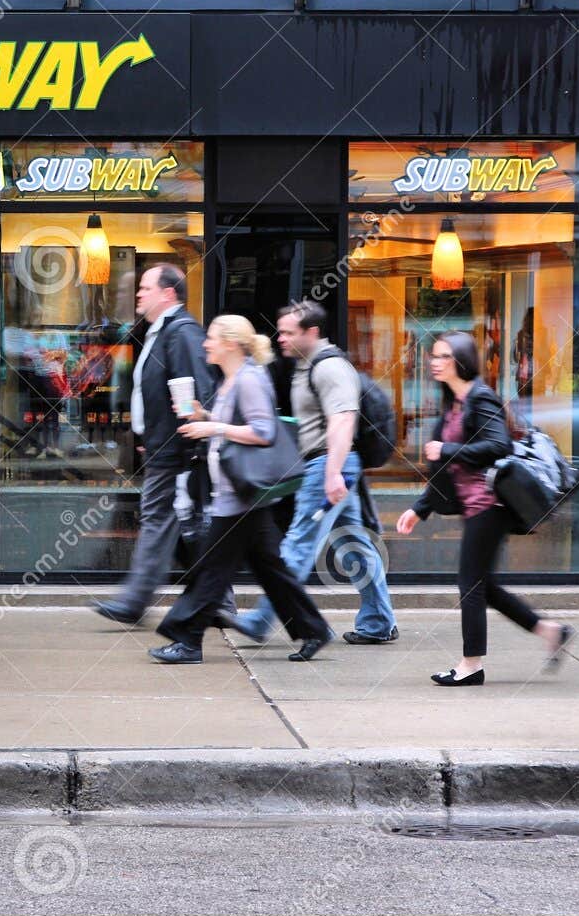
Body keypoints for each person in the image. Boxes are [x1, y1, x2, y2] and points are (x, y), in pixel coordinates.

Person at [149, 315, 334, 664]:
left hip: (239, 495)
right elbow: (234, 425)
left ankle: (187, 640)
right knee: (270, 569)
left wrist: (213, 428)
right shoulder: (233, 379)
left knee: (210, 570)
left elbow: (262, 432)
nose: (206, 344)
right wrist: (202, 416)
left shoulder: (249, 379)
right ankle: (313, 629)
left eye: (212, 338)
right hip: (237, 492)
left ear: (231, 343)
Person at [394, 331, 572, 687]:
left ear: (461, 360)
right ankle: (549, 631)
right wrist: (419, 509)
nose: (434, 362)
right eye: (433, 356)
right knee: (483, 584)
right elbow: (448, 471)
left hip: (491, 504)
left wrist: (446, 449)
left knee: (470, 584)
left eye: (443, 356)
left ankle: (471, 665)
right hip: (476, 506)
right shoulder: (454, 402)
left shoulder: (480, 397)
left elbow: (497, 445)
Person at [233, 301, 397, 645]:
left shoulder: (329, 367)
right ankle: (379, 621)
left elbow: (343, 419)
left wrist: (333, 473)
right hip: (332, 464)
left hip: (329, 463)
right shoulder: (305, 365)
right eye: (280, 332)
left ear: (312, 332)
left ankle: (261, 620)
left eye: (288, 333)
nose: (280, 338)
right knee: (354, 545)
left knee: (298, 544)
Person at [92, 263, 217, 624]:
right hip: (164, 446)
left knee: (159, 519)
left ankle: (135, 602)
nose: (138, 294)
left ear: (168, 293)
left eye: (146, 288)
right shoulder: (161, 332)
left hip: (176, 450)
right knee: (173, 524)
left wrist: (187, 443)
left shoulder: (181, 333)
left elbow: (194, 391)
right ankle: (216, 601)